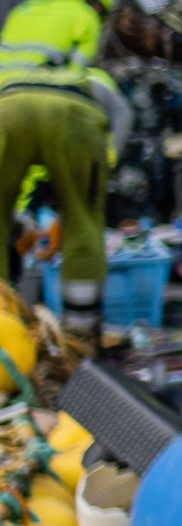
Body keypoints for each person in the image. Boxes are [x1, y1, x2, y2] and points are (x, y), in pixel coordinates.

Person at [0, 62, 131, 338]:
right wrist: (108, 162)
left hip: (9, 108)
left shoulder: (15, 72)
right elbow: (124, 113)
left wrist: (18, 223)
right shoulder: (95, 77)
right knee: (83, 222)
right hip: (73, 114)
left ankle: (5, 323)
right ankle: (78, 334)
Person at [0, 0, 114, 72]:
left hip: (3, 88)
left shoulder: (26, 7)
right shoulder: (88, 16)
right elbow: (77, 73)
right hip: (36, 88)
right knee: (100, 78)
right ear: (98, 7)